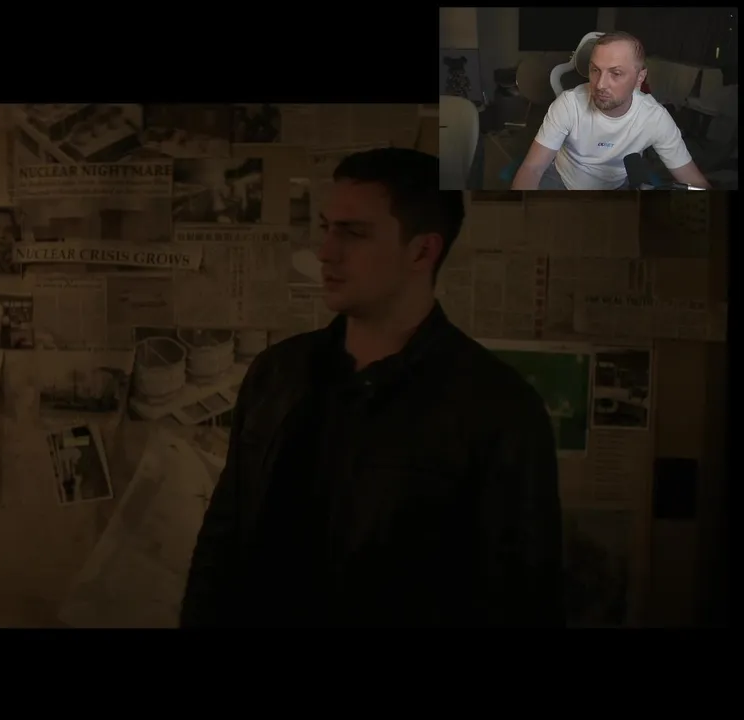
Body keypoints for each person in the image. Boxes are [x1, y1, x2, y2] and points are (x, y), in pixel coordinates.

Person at [181, 147, 564, 627]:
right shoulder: (277, 374)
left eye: (354, 233)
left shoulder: (498, 408)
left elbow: (522, 599)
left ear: (422, 251)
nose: (326, 251)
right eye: (327, 228)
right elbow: (222, 542)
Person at [511, 32, 711, 190]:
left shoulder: (655, 118)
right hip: (561, 181)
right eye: (595, 70)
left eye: (615, 73)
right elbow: (532, 168)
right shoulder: (568, 104)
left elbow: (695, 182)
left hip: (616, 187)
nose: (600, 85)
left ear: (640, 78)